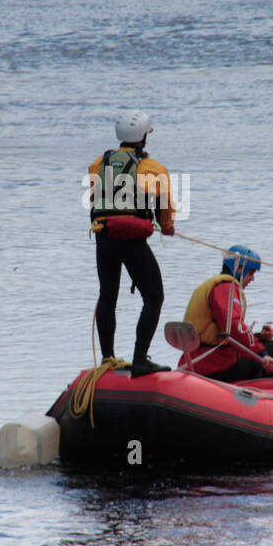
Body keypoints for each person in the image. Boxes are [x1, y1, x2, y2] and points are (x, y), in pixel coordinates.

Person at [88, 110, 176, 376]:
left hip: (104, 239)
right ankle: (140, 359)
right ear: (143, 138)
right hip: (132, 240)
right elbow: (165, 208)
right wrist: (168, 228)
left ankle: (107, 358)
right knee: (154, 296)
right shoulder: (153, 168)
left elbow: (98, 197)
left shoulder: (98, 163)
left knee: (108, 295)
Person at [181, 245, 273, 382]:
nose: (253, 278)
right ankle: (268, 394)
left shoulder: (211, 285)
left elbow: (222, 331)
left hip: (197, 359)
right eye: (251, 273)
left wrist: (258, 337)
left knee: (264, 347)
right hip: (215, 365)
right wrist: (262, 353)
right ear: (239, 268)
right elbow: (233, 326)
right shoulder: (226, 287)